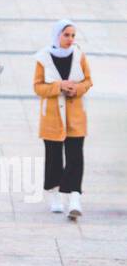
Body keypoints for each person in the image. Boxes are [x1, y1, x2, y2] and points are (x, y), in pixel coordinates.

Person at [34, 20, 91, 219]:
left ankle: (75, 198)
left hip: (75, 116)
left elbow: (88, 81)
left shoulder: (79, 56)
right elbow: (38, 87)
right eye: (66, 35)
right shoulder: (43, 58)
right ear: (57, 35)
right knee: (54, 158)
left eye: (73, 35)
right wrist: (59, 87)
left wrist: (76, 88)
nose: (70, 39)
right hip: (52, 117)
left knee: (76, 157)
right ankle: (55, 194)